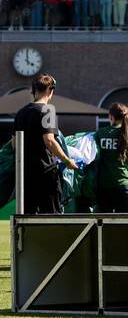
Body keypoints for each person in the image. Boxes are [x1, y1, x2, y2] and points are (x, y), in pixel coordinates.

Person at [11, 73, 78, 213]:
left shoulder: (21, 113)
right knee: (52, 213)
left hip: (25, 174)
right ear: (50, 90)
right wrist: (67, 161)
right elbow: (49, 141)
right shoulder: (47, 110)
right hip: (45, 172)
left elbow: (14, 145)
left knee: (27, 216)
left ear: (33, 90)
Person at [91, 103, 128, 213]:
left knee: (102, 222)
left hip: (103, 185)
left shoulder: (100, 133)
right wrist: (127, 160)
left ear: (111, 116)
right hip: (122, 183)